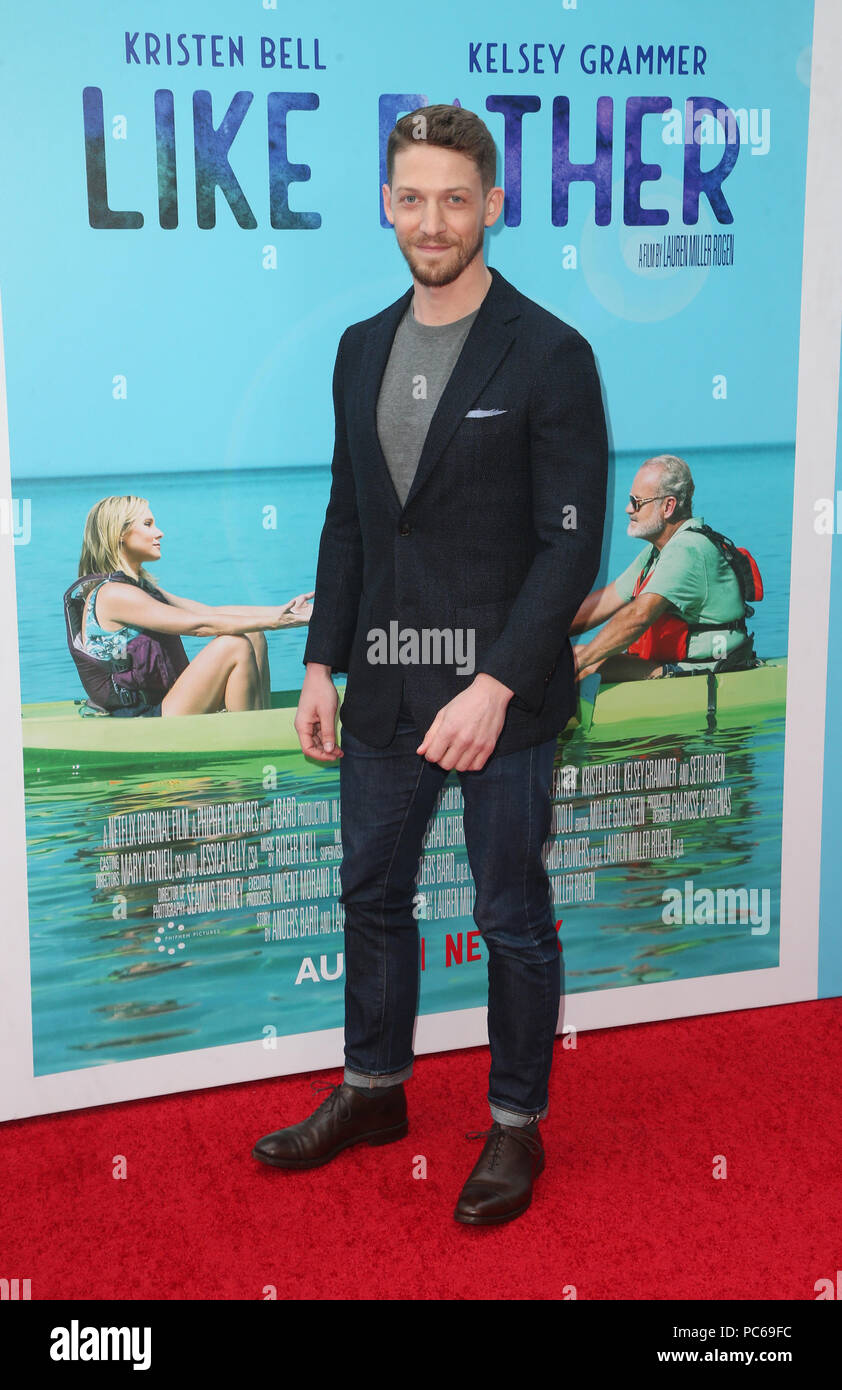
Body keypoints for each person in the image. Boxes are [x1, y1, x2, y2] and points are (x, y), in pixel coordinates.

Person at [252, 105, 608, 1225]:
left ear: (492, 205)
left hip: (501, 696)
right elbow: (350, 520)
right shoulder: (361, 347)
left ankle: (513, 1124)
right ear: (386, 205)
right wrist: (318, 662)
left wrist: (495, 685)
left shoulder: (550, 352)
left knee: (510, 913)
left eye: (456, 197)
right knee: (370, 894)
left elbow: (569, 541)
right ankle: (374, 1090)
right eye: (411, 196)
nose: (432, 218)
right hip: (382, 682)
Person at [67, 494, 312, 716]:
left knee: (252, 633)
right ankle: (248, 737)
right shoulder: (114, 594)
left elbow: (210, 613)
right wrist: (277, 621)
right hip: (142, 716)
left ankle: (260, 719)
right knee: (233, 644)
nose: (159, 533)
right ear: (120, 534)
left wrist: (291, 613)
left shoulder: (139, 587)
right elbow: (199, 626)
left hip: (166, 703)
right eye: (148, 524)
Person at [571, 455, 759, 682]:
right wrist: (540, 634)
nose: (628, 509)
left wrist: (579, 663)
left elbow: (638, 616)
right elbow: (604, 602)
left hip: (710, 669)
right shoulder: (659, 551)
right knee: (574, 653)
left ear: (668, 506)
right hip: (678, 664)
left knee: (582, 667)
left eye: (637, 501)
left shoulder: (688, 549)